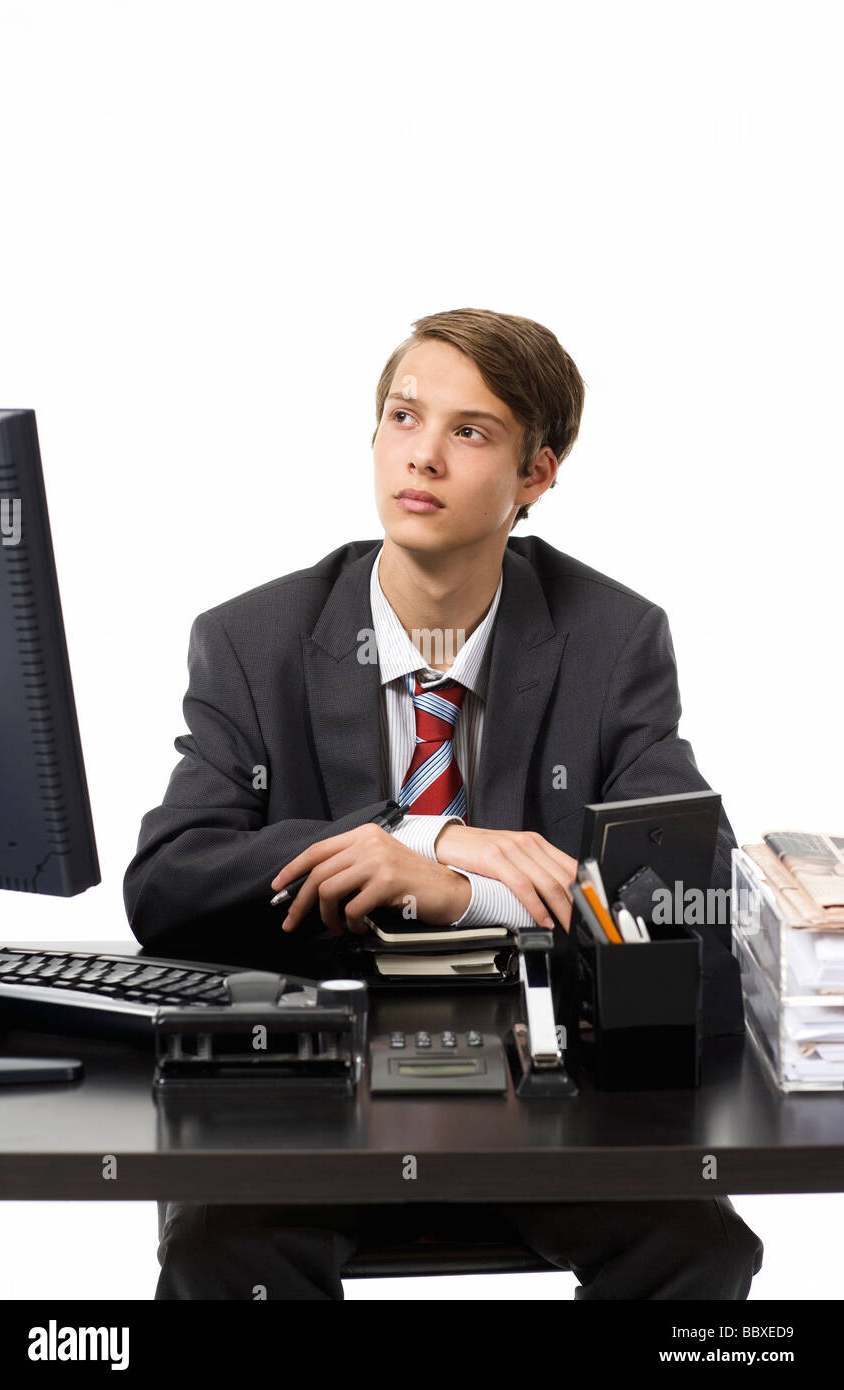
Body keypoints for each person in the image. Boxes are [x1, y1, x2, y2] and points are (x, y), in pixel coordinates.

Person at [124, 306, 764, 1299]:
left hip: (544, 1088)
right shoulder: (252, 641)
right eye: (403, 416)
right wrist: (423, 836)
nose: (420, 455)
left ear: (535, 475)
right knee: (223, 1251)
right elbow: (170, 883)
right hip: (314, 1088)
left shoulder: (612, 639)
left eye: (470, 431)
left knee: (699, 1245)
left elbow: (688, 892)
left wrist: (459, 891)